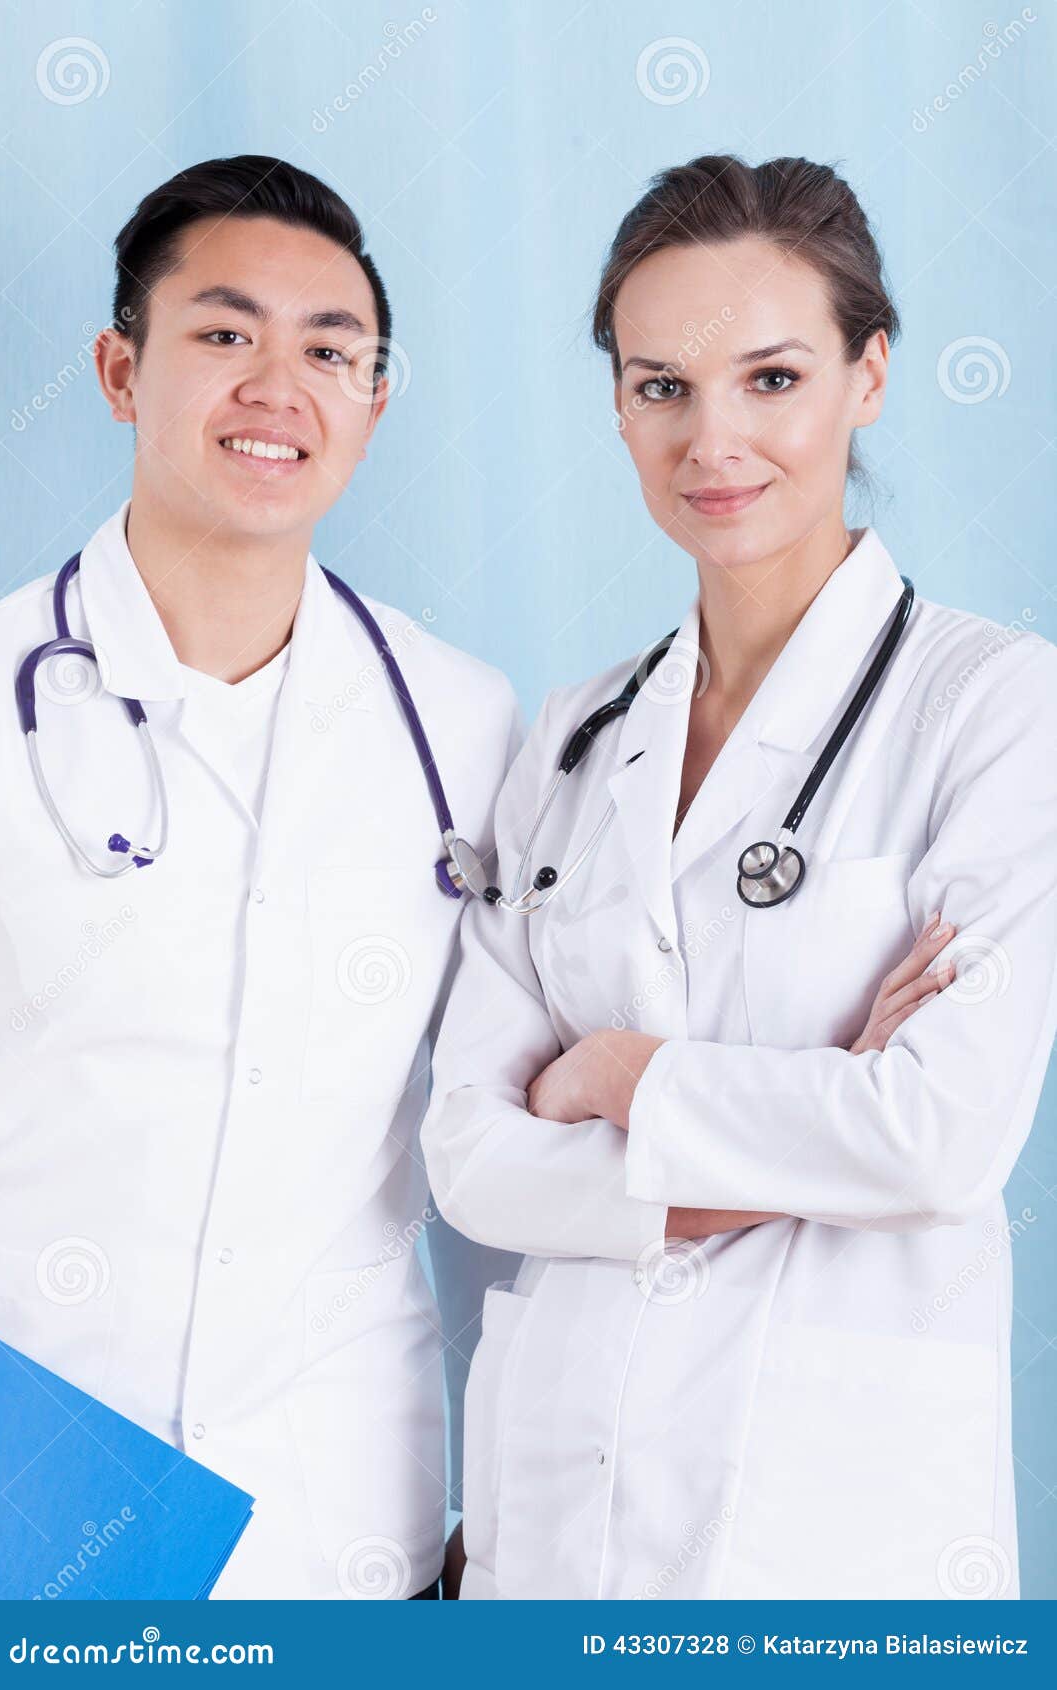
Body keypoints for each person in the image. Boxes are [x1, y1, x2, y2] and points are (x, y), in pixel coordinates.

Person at [421, 154, 1057, 1600]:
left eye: (772, 377)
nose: (713, 439)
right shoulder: (574, 732)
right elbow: (468, 1156)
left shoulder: (997, 705)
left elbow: (936, 1138)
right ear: (621, 403)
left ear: (870, 372)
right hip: (549, 1523)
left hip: (829, 1534)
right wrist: (802, 1121)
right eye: (662, 387)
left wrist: (623, 1073)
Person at [0, 155, 519, 1599]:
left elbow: (487, 1157)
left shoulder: (466, 725)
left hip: (350, 1528)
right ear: (120, 368)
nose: (279, 387)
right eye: (224, 335)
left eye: (330, 350)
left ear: (374, 401)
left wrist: (520, 1496)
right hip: (30, 1531)